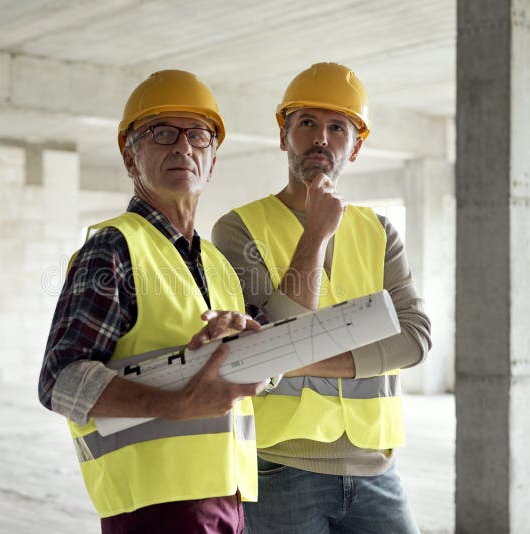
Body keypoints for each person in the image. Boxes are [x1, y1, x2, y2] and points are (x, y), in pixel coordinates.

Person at [38, 69, 266, 533]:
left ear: (213, 160)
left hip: (229, 498)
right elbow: (60, 380)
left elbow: (236, 379)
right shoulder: (114, 249)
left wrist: (250, 349)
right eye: (163, 133)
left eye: (199, 135)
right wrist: (177, 404)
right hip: (154, 510)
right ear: (130, 156)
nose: (184, 146)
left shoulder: (218, 263)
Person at [211, 62, 432, 533]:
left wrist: (292, 360)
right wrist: (314, 234)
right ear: (283, 136)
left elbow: (415, 340)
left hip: (376, 467)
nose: (321, 138)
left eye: (337, 127)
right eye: (306, 123)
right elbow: (262, 348)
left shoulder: (379, 231)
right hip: (281, 469)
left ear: (356, 146)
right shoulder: (238, 229)